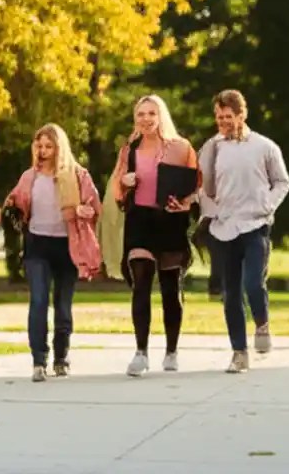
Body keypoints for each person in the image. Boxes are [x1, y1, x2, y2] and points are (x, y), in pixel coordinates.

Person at [198, 89, 289, 373]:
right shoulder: (212, 147)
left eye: (228, 117)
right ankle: (239, 352)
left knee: (253, 283)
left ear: (242, 115)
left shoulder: (265, 147)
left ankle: (262, 324)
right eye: (218, 117)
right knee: (230, 295)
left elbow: (282, 182)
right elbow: (202, 186)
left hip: (255, 225)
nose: (223, 122)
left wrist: (268, 205)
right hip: (224, 227)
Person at [4, 124, 103, 382]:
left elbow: (95, 207)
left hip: (66, 246)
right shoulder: (30, 177)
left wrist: (84, 210)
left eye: (49, 147)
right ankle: (39, 359)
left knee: (62, 304)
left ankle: (61, 357)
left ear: (60, 148)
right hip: (37, 244)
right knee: (38, 300)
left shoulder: (77, 175)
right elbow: (15, 203)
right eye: (40, 146)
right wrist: (11, 208)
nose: (44, 152)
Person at [109, 95, 199, 377]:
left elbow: (197, 186)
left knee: (171, 288)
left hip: (170, 222)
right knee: (142, 282)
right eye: (140, 114)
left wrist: (184, 203)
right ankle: (141, 352)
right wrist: (124, 182)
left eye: (151, 113)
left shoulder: (182, 148)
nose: (145, 119)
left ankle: (171, 351)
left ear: (161, 116)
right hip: (140, 221)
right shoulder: (129, 149)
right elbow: (116, 189)